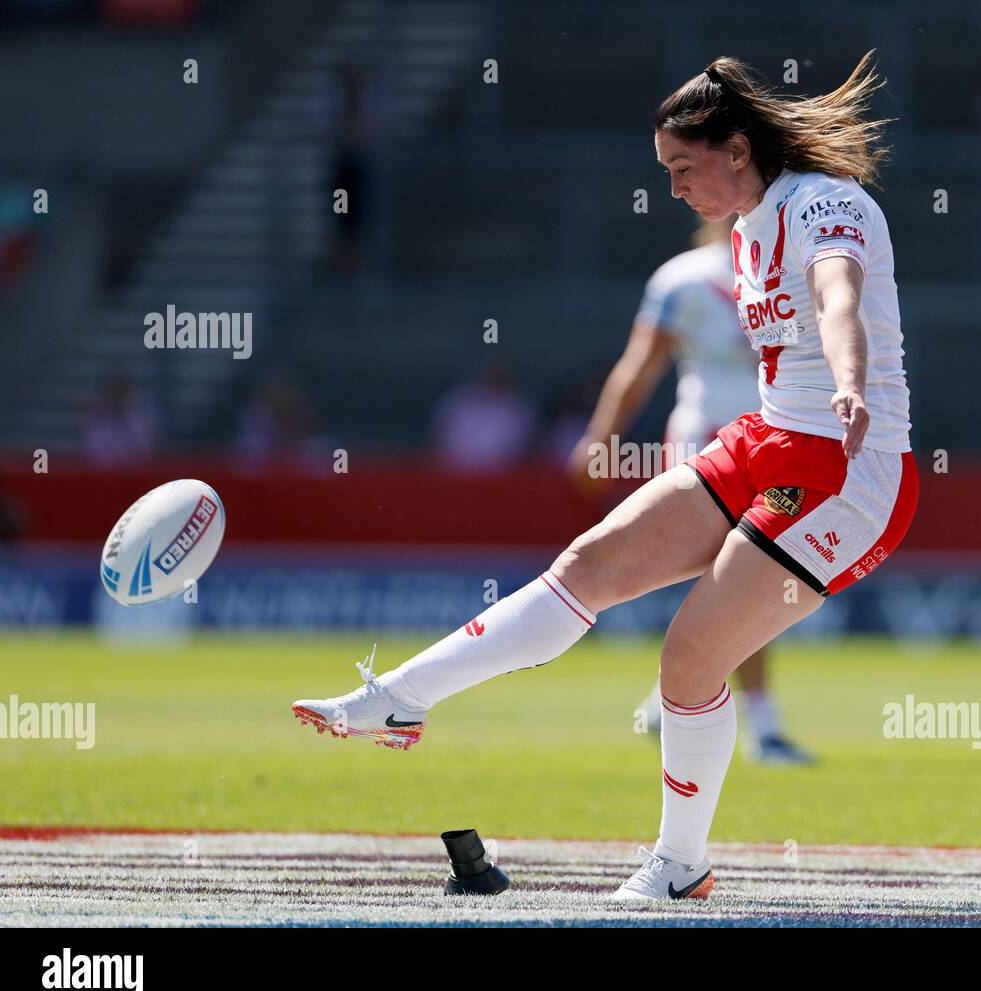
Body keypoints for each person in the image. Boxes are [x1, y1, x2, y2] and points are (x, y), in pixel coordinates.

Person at [292, 52, 918, 902]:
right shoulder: (743, 229)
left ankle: (681, 867)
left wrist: (849, 382)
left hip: (849, 468)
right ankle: (401, 697)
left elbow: (838, 295)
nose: (674, 189)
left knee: (690, 658)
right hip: (768, 439)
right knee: (589, 563)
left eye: (682, 169)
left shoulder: (824, 202)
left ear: (736, 150)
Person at [566, 212, 815, 764]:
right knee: (749, 575)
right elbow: (639, 366)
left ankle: (671, 697)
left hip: (778, 446)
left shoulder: (792, 273)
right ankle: (759, 724)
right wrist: (600, 437)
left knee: (751, 577)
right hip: (708, 443)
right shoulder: (686, 279)